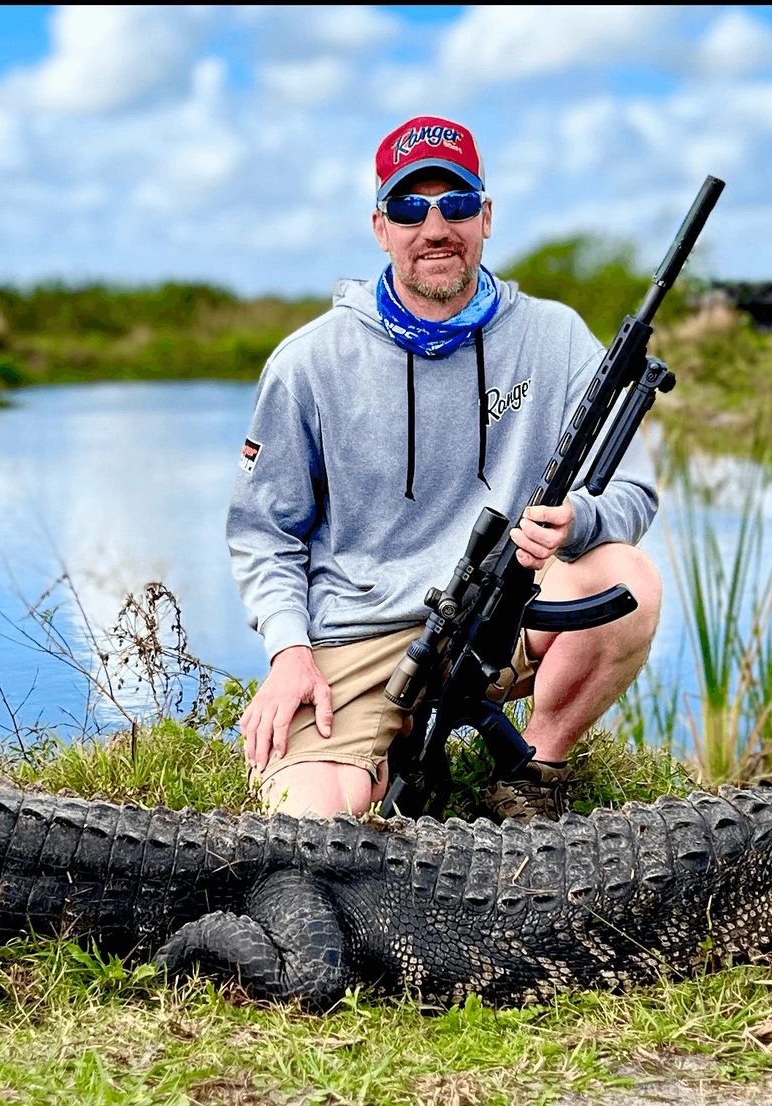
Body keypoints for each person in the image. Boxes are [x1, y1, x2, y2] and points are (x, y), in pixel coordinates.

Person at [227, 114, 663, 820]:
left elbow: (635, 490)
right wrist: (287, 652)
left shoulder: (555, 336)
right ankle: (379, 753)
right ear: (381, 227)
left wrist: (578, 521)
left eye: (456, 204)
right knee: (304, 825)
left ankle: (533, 776)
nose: (436, 227)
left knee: (628, 582)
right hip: (356, 632)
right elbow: (264, 534)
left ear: (485, 216)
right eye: (409, 207)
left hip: (499, 613)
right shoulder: (307, 362)